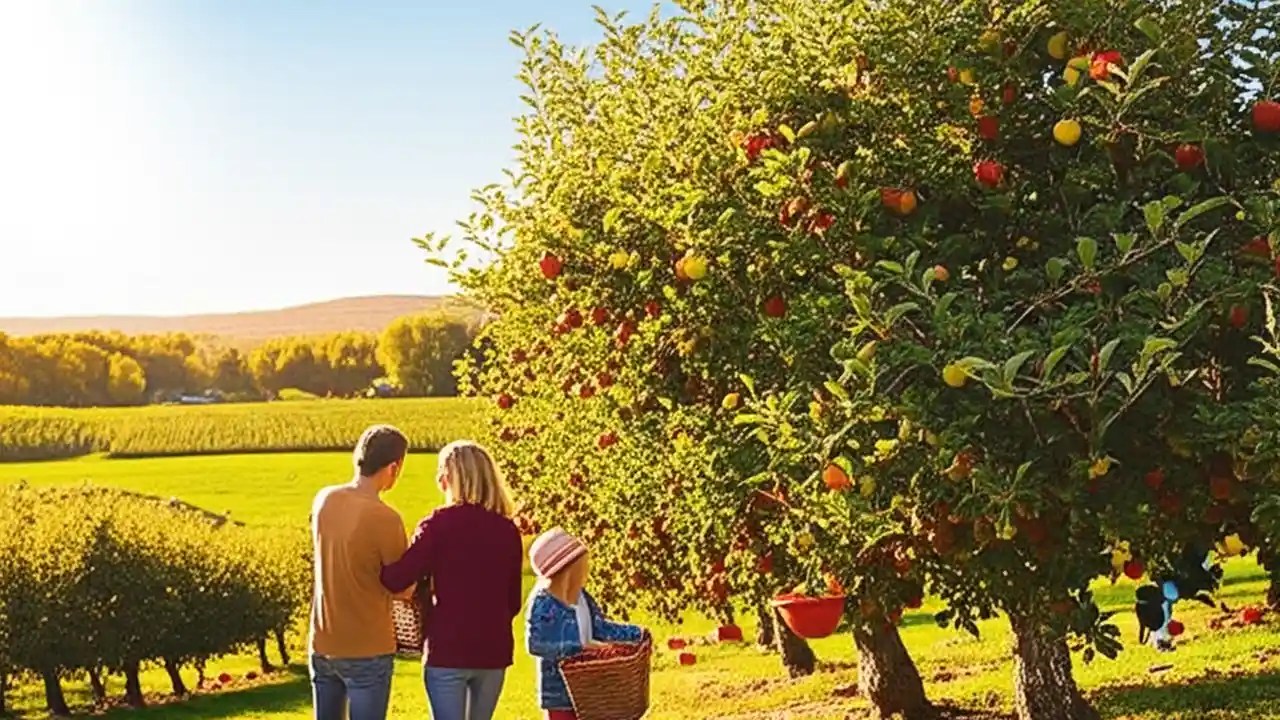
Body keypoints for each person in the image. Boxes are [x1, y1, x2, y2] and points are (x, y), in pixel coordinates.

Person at [381, 440, 523, 720]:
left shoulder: (438, 525)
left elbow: (396, 579)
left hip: (448, 649)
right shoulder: (507, 531)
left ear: (448, 479)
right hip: (493, 651)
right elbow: (513, 602)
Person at [309, 424, 412, 720]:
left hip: (323, 642)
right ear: (394, 467)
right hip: (368, 647)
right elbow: (401, 588)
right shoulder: (385, 518)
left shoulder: (324, 500)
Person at [525, 528, 646, 720]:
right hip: (560, 696)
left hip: (590, 690)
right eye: (582, 564)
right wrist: (579, 648)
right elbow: (536, 644)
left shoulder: (582, 598)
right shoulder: (545, 604)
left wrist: (636, 634)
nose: (586, 569)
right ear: (567, 570)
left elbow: (600, 628)